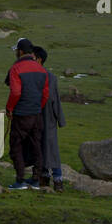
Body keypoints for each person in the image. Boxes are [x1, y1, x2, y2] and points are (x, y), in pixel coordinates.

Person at [4, 37, 48, 190]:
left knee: (16, 145)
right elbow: (45, 94)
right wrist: (37, 107)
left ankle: (20, 179)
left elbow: (15, 92)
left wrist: (9, 108)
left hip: (22, 114)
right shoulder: (41, 69)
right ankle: (36, 179)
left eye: (17, 50)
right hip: (36, 114)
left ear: (20, 51)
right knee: (36, 146)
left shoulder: (16, 68)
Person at [32, 45, 65, 192]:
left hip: (46, 117)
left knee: (50, 147)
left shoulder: (49, 78)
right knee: (41, 146)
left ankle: (57, 179)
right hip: (39, 117)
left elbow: (55, 99)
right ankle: (44, 177)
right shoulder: (37, 75)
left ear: (39, 59)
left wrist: (59, 119)